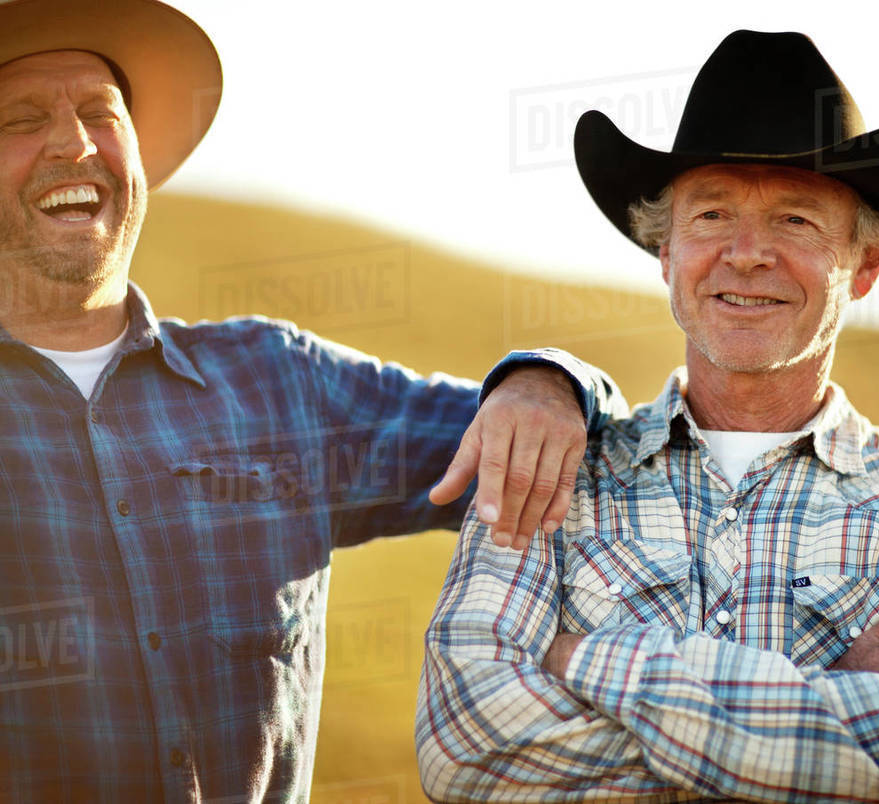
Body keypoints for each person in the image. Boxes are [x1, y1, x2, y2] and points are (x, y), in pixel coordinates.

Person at [0, 0, 626, 800]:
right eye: (21, 118)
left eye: (99, 111)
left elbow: (572, 448)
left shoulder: (278, 384)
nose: (73, 141)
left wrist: (545, 383)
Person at [419, 30, 879, 803]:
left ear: (865, 266)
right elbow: (466, 748)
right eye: (711, 216)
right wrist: (831, 693)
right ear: (665, 251)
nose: (746, 254)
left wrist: (580, 659)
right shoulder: (553, 465)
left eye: (796, 222)